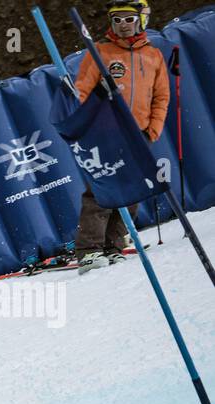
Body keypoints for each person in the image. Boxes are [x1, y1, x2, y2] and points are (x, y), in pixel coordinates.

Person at [71, 1, 170, 272]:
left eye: (129, 19)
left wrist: (153, 130)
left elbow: (161, 96)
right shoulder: (101, 52)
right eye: (117, 20)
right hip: (107, 133)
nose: (123, 25)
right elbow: (82, 91)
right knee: (101, 190)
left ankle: (114, 246)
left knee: (133, 191)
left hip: (139, 134)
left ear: (140, 21)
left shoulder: (152, 56)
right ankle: (89, 249)